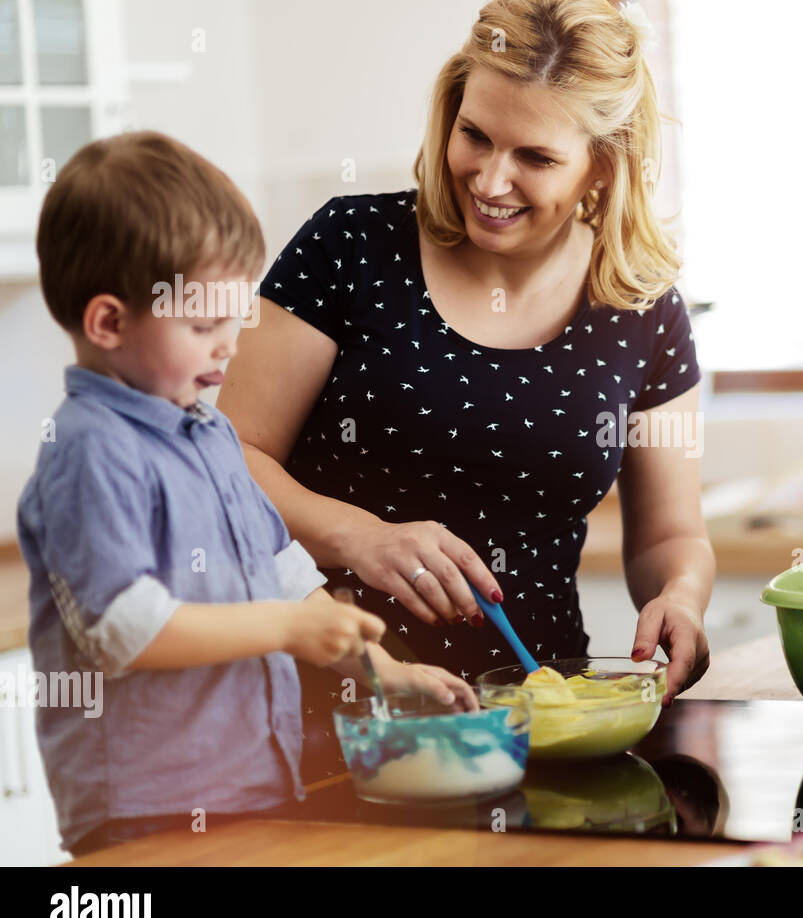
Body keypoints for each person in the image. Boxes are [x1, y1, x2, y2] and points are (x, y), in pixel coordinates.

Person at [218, 0, 715, 780]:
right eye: (475, 134)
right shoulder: (347, 248)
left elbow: (668, 537)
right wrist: (359, 536)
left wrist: (681, 599)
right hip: (330, 721)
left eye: (535, 157)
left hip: (536, 731)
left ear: (603, 164)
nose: (490, 179)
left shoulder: (642, 310)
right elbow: (223, 461)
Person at [17, 131, 475, 856]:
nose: (229, 343)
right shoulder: (89, 448)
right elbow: (126, 631)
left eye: (235, 318)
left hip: (256, 785)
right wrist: (288, 633)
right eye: (203, 324)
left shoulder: (208, 431)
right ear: (108, 322)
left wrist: (385, 671)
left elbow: (284, 569)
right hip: (146, 807)